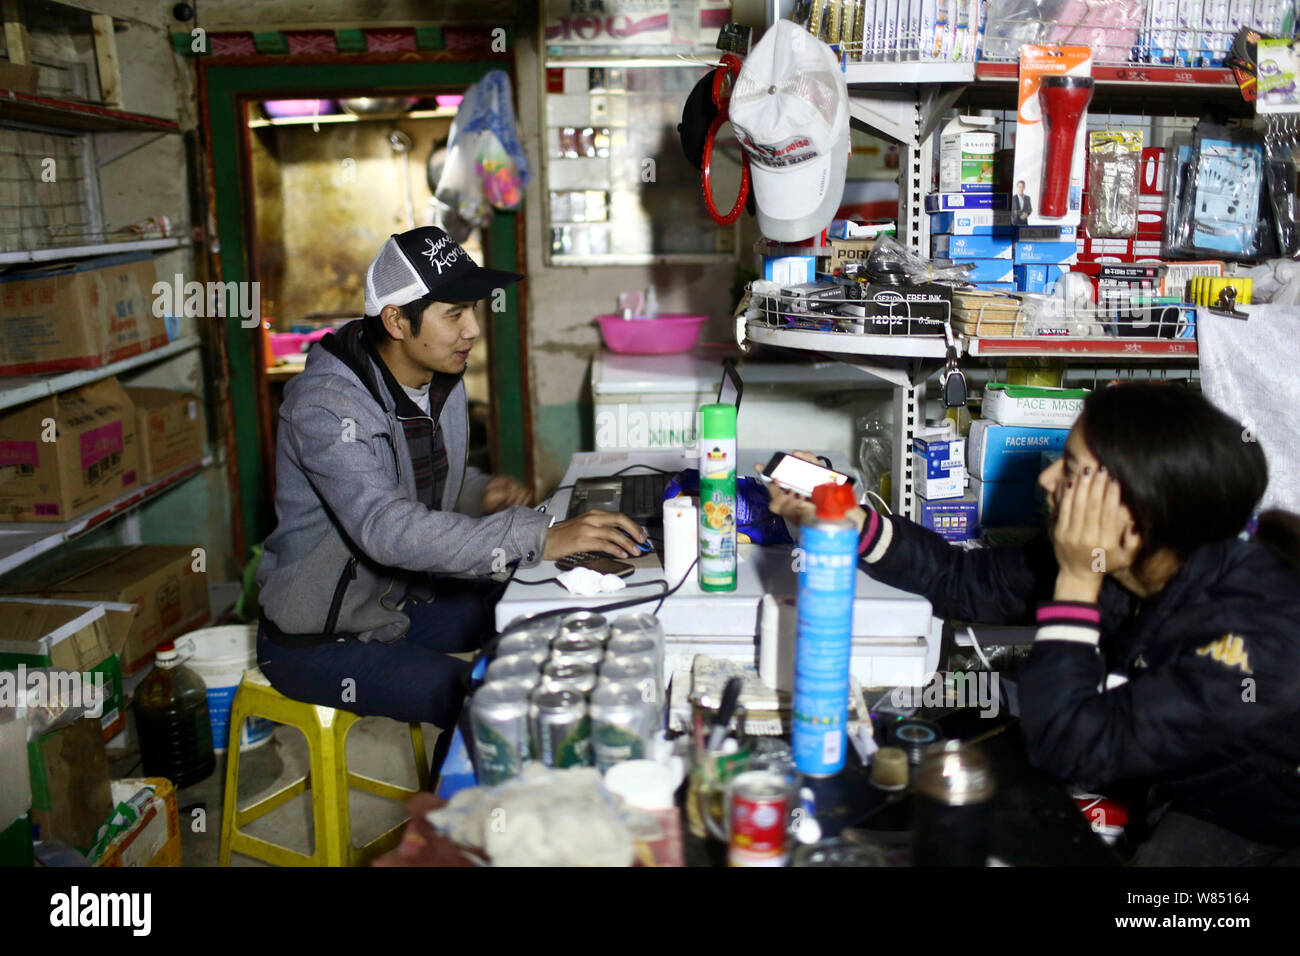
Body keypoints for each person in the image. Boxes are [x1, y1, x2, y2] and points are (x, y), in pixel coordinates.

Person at [765, 383, 1300, 864]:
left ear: (1137, 514)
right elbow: (963, 580)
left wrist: (1077, 580)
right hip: (1191, 779)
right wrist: (848, 519)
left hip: (1261, 823)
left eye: (1070, 470)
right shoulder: (1132, 558)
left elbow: (1071, 747)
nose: (1046, 478)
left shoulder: (1254, 642)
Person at [255, 226, 645, 777]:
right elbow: (385, 526)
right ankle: (457, 822)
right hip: (319, 638)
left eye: (474, 310)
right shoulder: (326, 408)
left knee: (537, 615)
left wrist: (479, 492)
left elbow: (414, 483)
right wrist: (537, 535)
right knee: (490, 705)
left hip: (395, 602)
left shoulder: (439, 378)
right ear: (396, 321)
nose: (473, 329)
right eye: (455, 313)